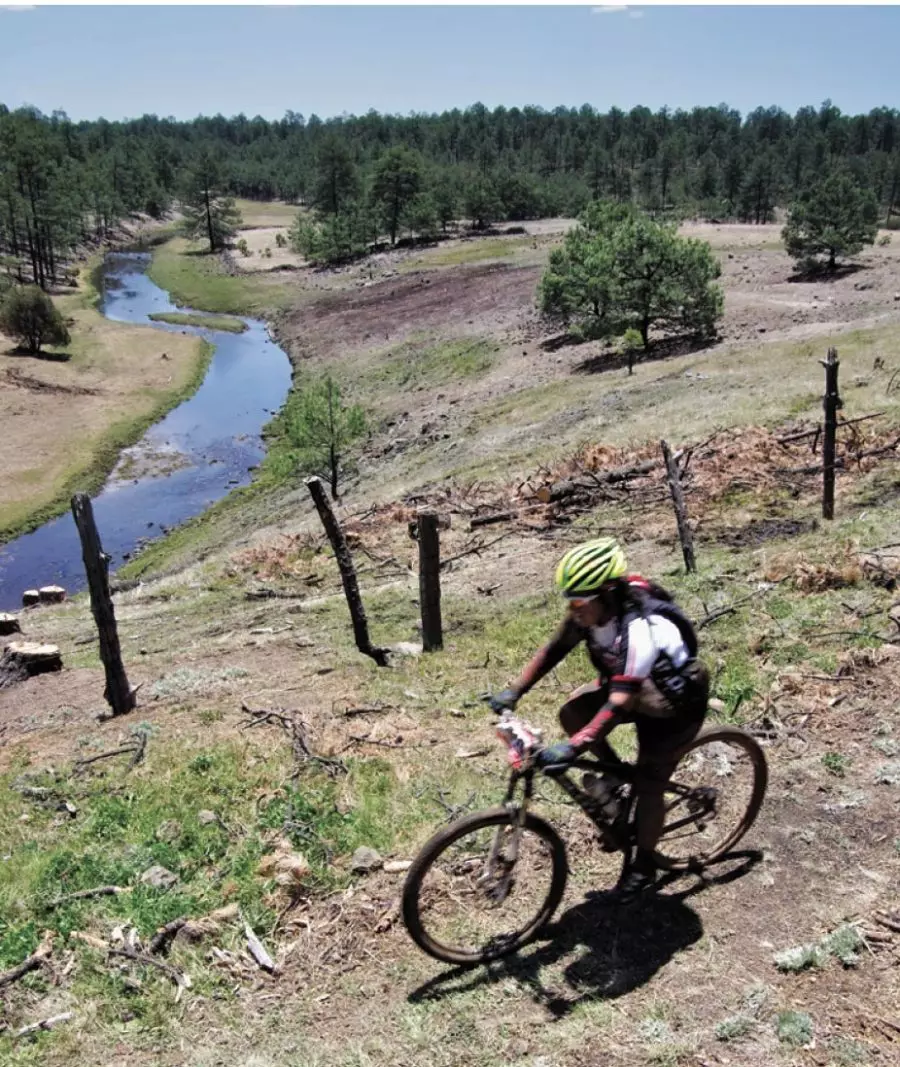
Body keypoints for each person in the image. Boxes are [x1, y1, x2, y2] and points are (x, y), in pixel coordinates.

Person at [490, 537, 709, 903]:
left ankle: (643, 864)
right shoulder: (591, 613)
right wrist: (514, 691)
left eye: (578, 601)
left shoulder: (641, 630)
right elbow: (553, 650)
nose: (572, 609)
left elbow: (619, 704)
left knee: (651, 785)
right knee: (572, 711)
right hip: (635, 692)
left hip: (672, 707)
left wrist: (576, 746)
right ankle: (616, 781)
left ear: (606, 592)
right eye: (569, 600)